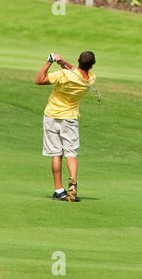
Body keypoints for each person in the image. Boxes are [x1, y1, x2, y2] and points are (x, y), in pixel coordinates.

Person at [36, 51, 97, 201]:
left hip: (52, 116)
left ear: (78, 60)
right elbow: (75, 72)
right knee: (71, 153)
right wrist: (62, 62)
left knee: (57, 153)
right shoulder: (91, 79)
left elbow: (39, 80)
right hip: (69, 119)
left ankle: (59, 190)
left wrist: (49, 61)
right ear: (92, 65)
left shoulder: (63, 75)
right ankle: (73, 183)